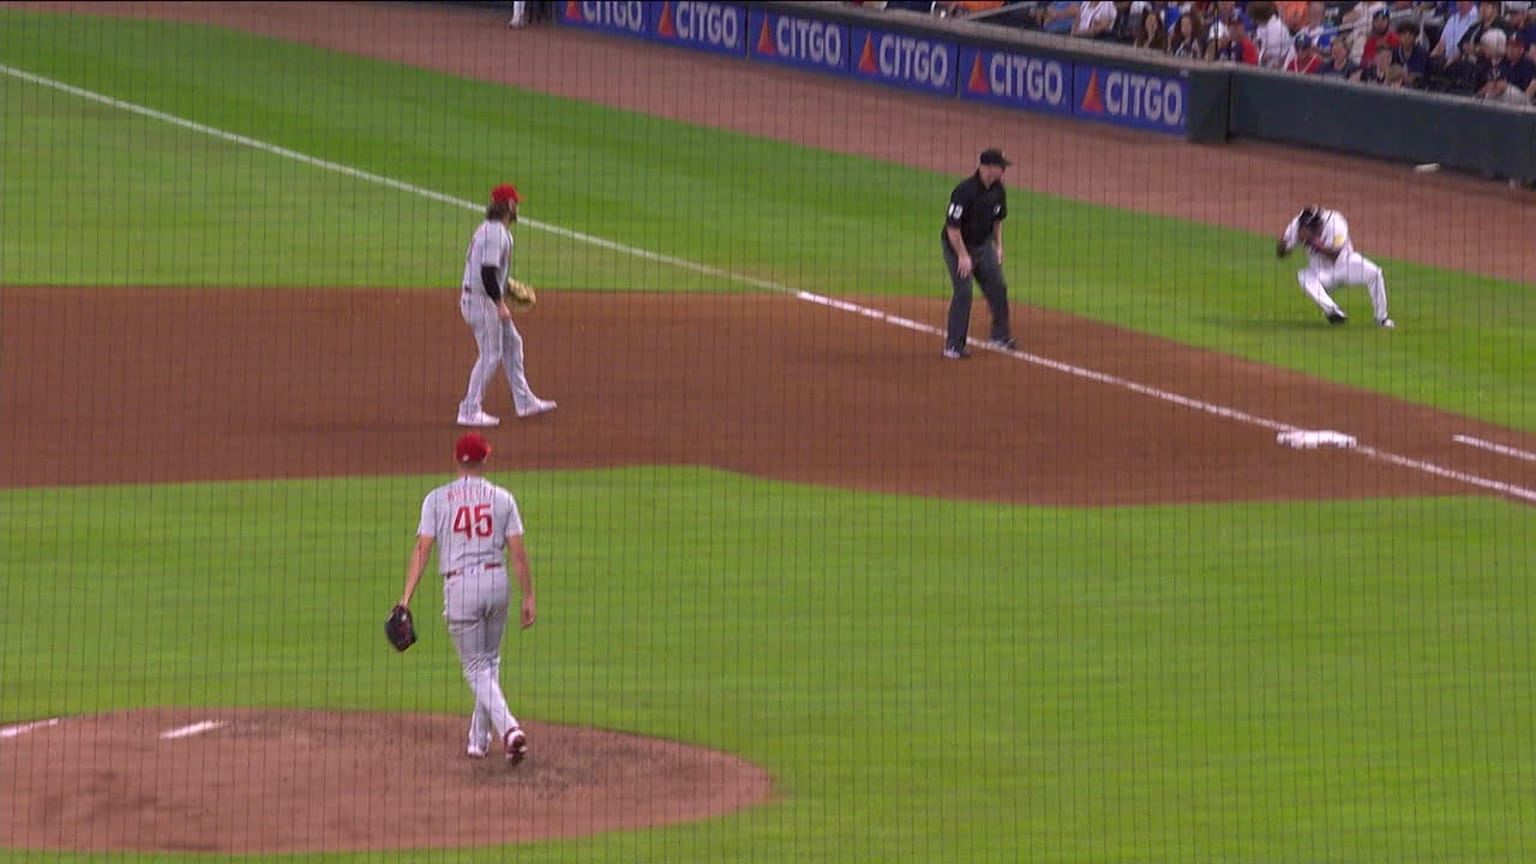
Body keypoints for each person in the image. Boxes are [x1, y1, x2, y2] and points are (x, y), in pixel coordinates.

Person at [397, 432, 538, 764]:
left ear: (456, 460)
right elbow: (518, 553)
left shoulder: (437, 499)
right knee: (490, 661)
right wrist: (528, 595)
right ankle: (478, 740)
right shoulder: (502, 498)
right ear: (484, 459)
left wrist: (405, 600)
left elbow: (422, 549)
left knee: (476, 666)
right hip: (497, 580)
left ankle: (510, 730)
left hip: (461, 587)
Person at [456, 183, 556, 428]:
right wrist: (500, 303)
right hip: (481, 301)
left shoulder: (493, 230)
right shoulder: (495, 234)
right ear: (509, 206)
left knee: (512, 343)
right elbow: (488, 272)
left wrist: (506, 286)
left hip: (482, 297)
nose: (518, 207)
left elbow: (490, 271)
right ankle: (469, 410)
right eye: (516, 203)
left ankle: (524, 401)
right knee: (491, 354)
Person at [941, 148, 1017, 359]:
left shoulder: (998, 190)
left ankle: (999, 336)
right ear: (989, 168)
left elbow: (997, 221)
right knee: (964, 292)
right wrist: (963, 256)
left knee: (998, 287)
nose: (1003, 170)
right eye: (1002, 167)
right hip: (957, 246)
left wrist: (998, 246)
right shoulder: (964, 192)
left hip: (983, 247)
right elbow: (952, 228)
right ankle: (954, 346)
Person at [1275, 205, 1394, 328]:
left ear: (1319, 223)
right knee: (1303, 276)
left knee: (1375, 273)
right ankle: (1333, 311)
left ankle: (1382, 319)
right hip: (1320, 273)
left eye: (1312, 228)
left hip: (1346, 266)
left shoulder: (1336, 222)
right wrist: (1285, 243)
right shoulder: (1296, 226)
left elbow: (1335, 254)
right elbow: (1280, 254)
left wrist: (1312, 241)